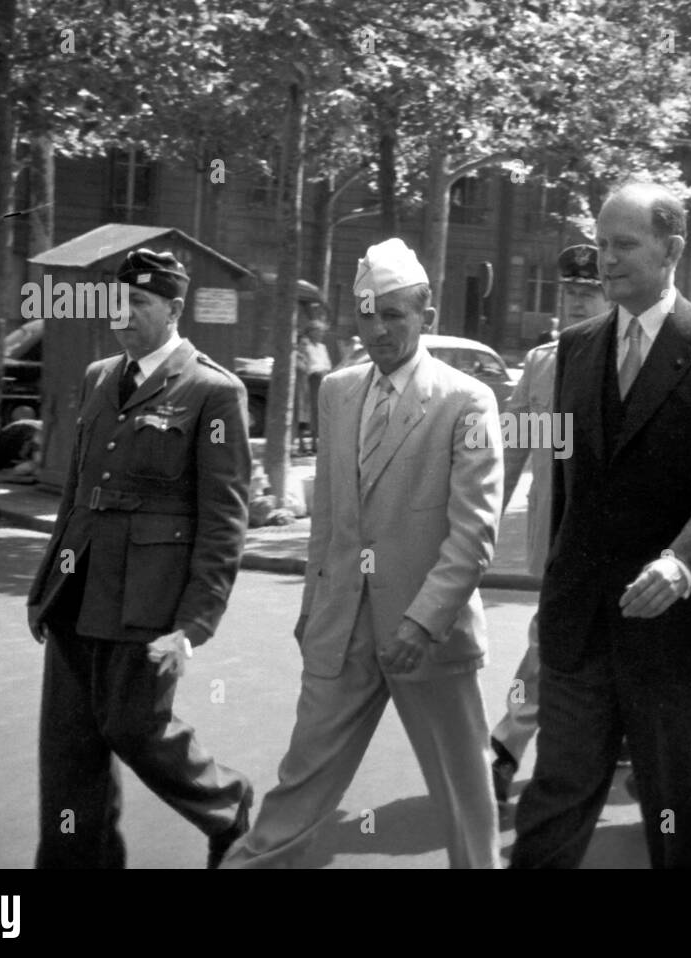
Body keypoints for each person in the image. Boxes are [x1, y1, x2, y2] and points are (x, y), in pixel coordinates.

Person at [510, 182, 691, 869]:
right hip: (583, 627)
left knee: (676, 810)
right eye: (601, 244)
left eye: (624, 245)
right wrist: (555, 597)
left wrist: (682, 561)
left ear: (673, 249)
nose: (606, 260)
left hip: (677, 629)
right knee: (555, 802)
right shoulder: (575, 348)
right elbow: (570, 489)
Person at [220, 238, 504, 869]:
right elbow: (330, 521)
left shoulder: (467, 401)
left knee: (464, 798)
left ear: (426, 316)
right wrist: (313, 607)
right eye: (367, 313)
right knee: (301, 782)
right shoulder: (338, 391)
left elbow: (474, 533)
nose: (377, 329)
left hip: (427, 638)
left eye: (394, 315)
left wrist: (421, 621)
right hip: (342, 629)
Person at [26, 248, 254, 869]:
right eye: (116, 301)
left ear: (175, 309)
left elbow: (224, 518)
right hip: (77, 591)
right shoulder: (101, 376)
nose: (122, 314)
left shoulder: (213, 391)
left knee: (135, 728)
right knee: (70, 751)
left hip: (147, 600)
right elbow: (76, 489)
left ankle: (228, 805)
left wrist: (196, 622)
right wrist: (45, 583)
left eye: (139, 302)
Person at [490, 244, 608, 804]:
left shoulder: (628, 356)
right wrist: (485, 522)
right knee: (553, 637)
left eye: (590, 291)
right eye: (572, 292)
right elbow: (515, 450)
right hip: (556, 529)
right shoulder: (542, 364)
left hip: (618, 531)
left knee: (572, 641)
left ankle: (511, 746)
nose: (580, 301)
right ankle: (511, 748)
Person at [294, 316, 333, 453]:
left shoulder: (322, 347)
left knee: (318, 411)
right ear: (310, 332)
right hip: (308, 380)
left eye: (322, 332)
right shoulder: (305, 345)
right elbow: (303, 363)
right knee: (304, 410)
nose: (321, 334)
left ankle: (315, 442)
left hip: (322, 379)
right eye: (318, 331)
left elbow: (327, 364)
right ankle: (301, 443)